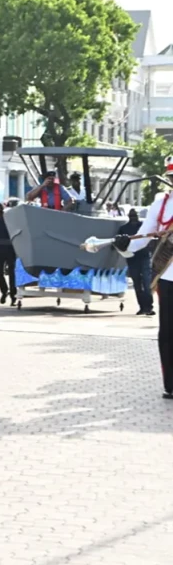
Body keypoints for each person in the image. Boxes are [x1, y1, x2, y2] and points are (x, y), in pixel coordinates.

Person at [112, 154, 173, 399]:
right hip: (168, 277)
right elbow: (145, 235)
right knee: (168, 331)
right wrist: (124, 244)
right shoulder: (162, 204)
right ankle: (171, 384)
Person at [119, 208, 154, 316]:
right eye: (132, 216)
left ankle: (148, 307)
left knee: (147, 283)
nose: (134, 218)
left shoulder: (143, 226)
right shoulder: (123, 228)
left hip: (144, 256)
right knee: (137, 284)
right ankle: (142, 307)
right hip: (132, 258)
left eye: (135, 216)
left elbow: (151, 238)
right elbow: (118, 243)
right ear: (129, 216)